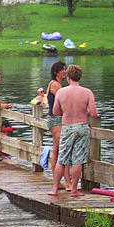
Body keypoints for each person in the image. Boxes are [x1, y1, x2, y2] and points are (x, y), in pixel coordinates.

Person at [49, 64, 99, 197]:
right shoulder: (87, 92)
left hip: (67, 127)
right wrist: (85, 110)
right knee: (77, 160)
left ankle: (54, 189)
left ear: (68, 77)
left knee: (62, 159)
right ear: (79, 77)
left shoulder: (61, 92)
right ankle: (74, 190)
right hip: (82, 126)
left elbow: (55, 112)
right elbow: (94, 113)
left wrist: (66, 110)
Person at [46, 60, 68, 190]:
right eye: (62, 69)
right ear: (56, 72)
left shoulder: (56, 84)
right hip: (56, 120)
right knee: (59, 150)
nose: (64, 71)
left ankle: (57, 181)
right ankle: (63, 182)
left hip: (56, 120)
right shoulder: (55, 85)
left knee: (56, 150)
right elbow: (64, 101)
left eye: (65, 69)